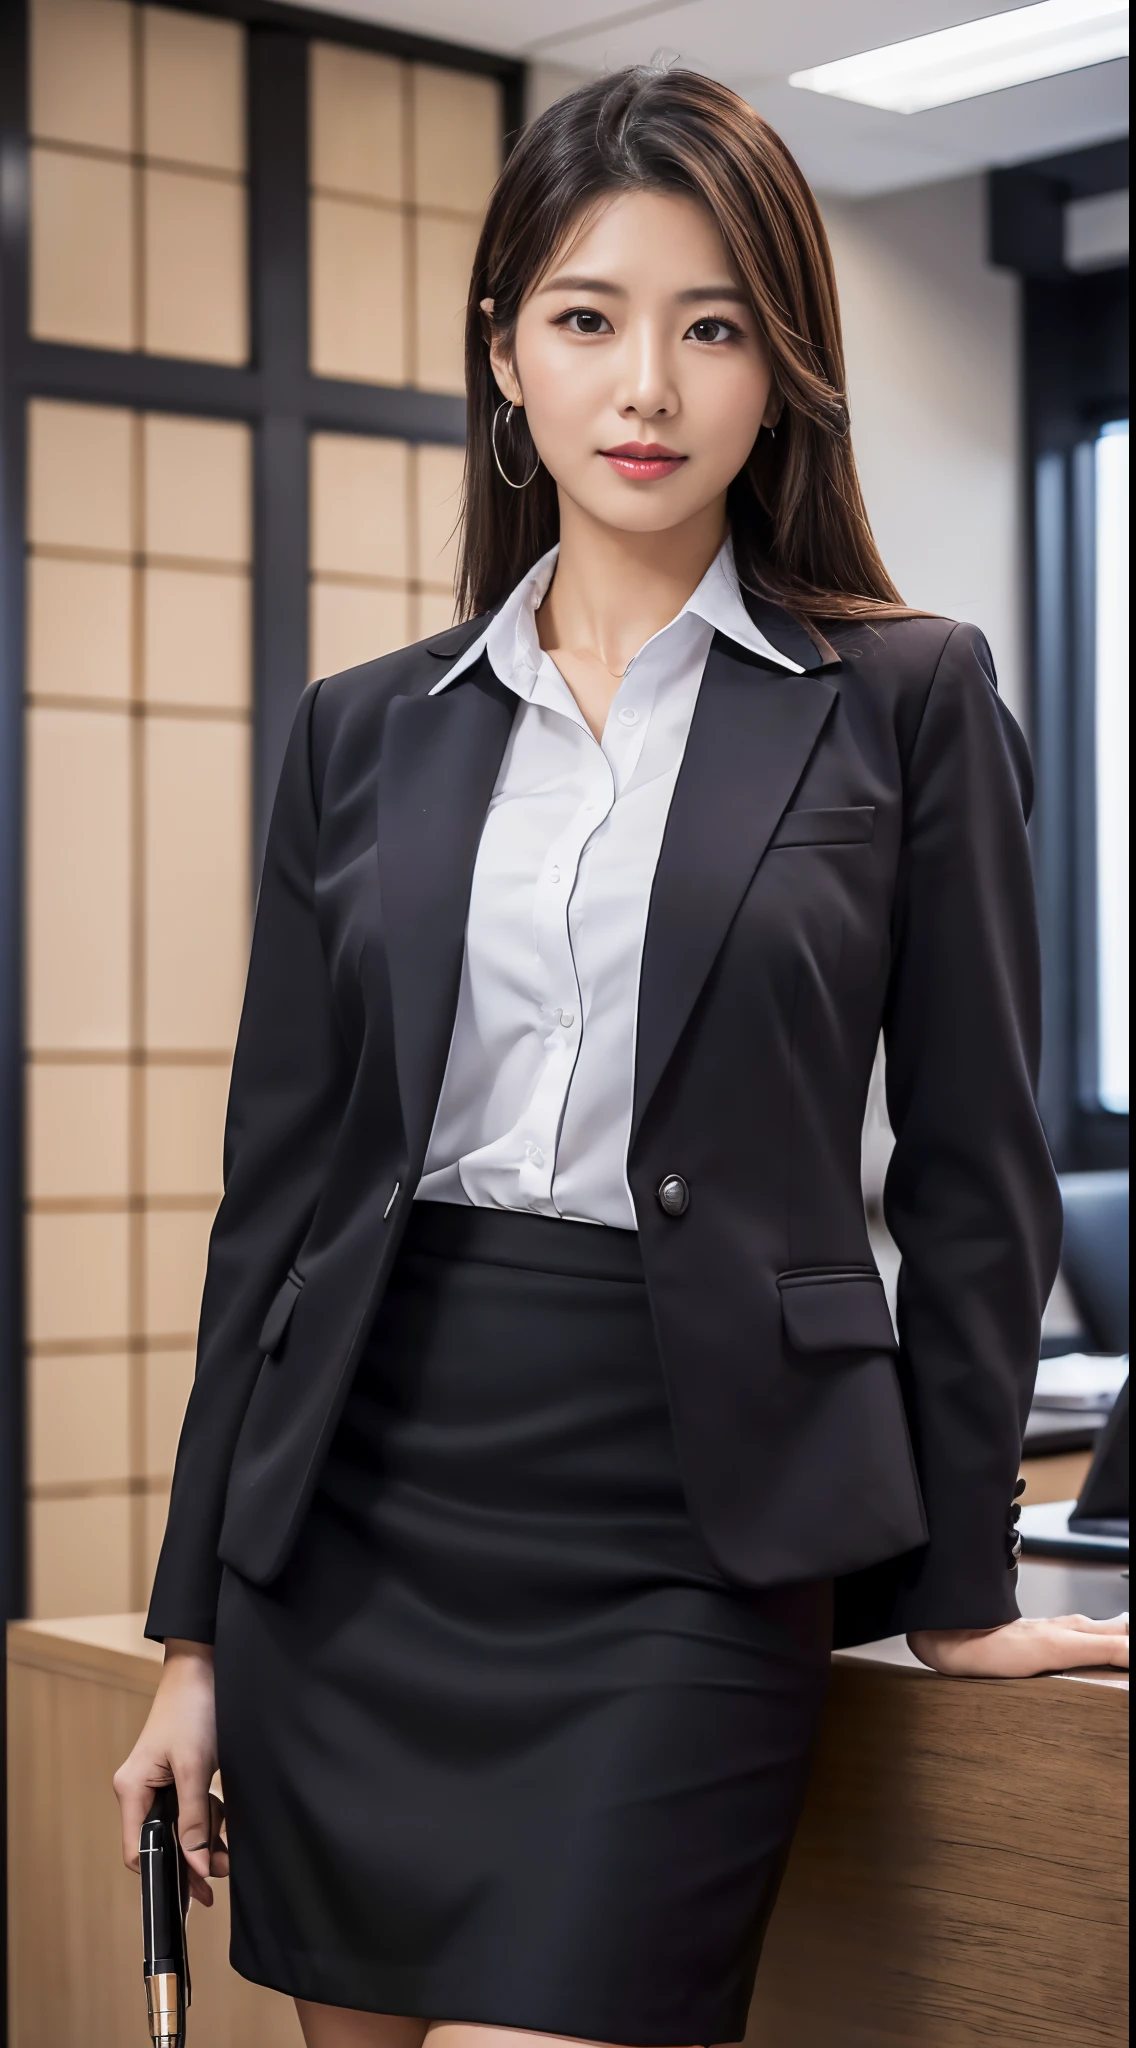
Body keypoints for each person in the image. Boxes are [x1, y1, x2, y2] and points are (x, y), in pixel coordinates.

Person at [113, 65, 1128, 2048]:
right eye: (584, 319)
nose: (643, 385)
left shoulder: (906, 700)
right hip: (364, 1532)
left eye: (711, 324)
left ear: (782, 372)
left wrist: (963, 1573)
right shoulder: (365, 729)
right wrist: (188, 1635)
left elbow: (972, 1170)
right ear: (506, 357)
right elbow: (283, 1199)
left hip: (687, 1533)